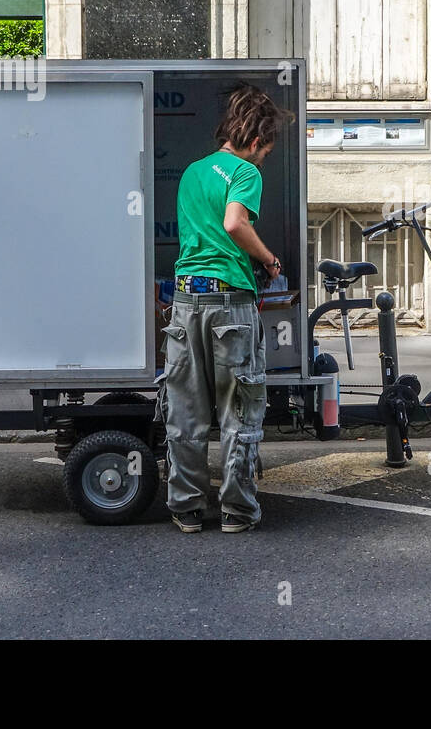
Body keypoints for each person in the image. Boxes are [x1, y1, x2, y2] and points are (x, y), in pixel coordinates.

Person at [163, 84, 293, 533]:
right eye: (266, 151)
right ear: (255, 141)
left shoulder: (193, 172)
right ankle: (237, 512)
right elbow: (235, 222)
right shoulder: (245, 172)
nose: (263, 159)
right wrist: (268, 258)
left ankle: (187, 509)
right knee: (238, 411)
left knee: (185, 413)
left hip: (184, 302)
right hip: (228, 305)